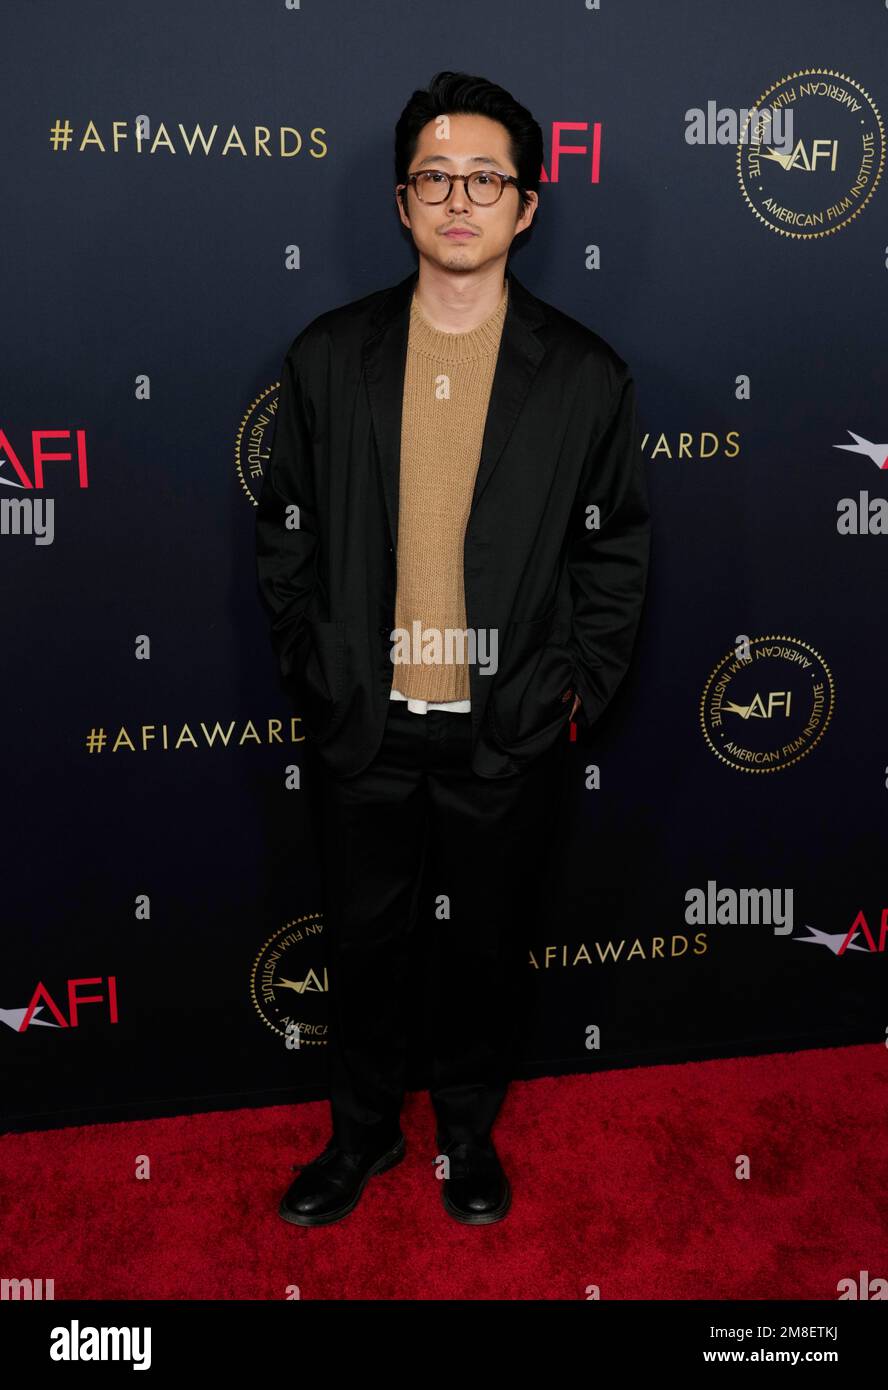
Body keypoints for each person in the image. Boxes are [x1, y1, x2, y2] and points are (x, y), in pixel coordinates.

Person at [256, 70, 651, 1226]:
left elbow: (614, 549)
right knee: (363, 943)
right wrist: (317, 665)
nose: (459, 200)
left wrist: (570, 688)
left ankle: (468, 1135)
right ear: (402, 201)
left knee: (487, 944)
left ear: (527, 206)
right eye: (435, 178)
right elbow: (286, 532)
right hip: (365, 718)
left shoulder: (584, 374)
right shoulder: (329, 355)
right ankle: (364, 1133)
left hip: (506, 725)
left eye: (486, 179)